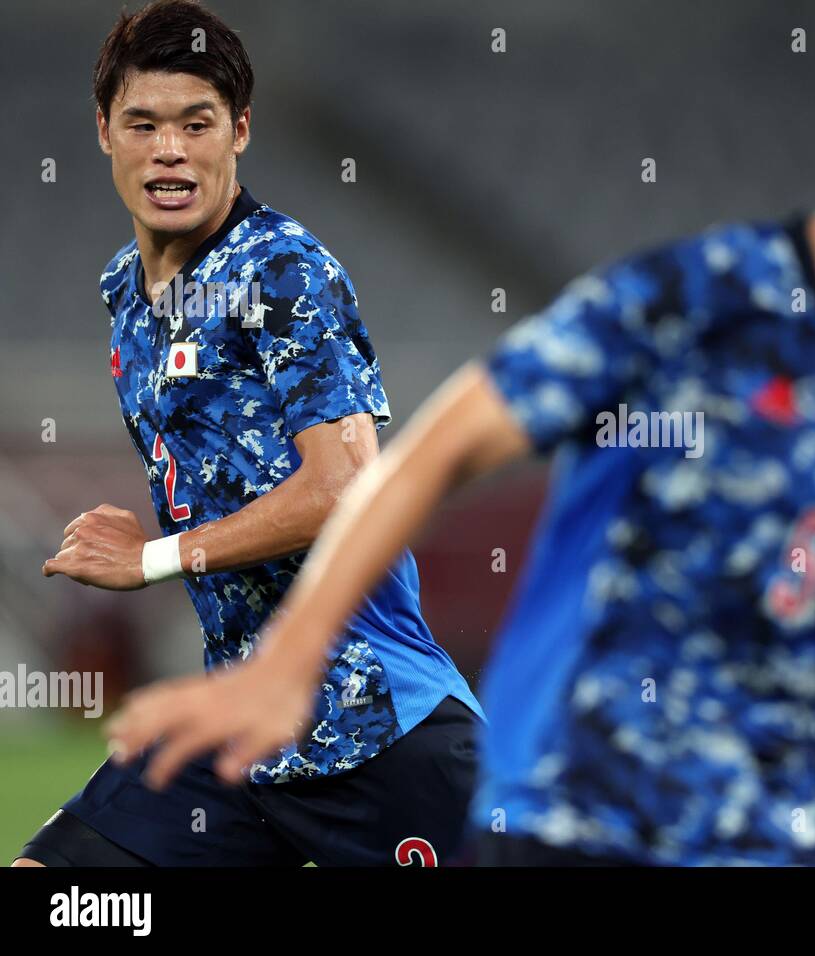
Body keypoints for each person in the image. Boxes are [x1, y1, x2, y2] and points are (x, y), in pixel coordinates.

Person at [106, 0, 815, 866]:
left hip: (764, 843)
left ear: (237, 132)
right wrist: (283, 663)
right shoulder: (691, 300)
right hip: (579, 826)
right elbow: (440, 450)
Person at [15, 0, 483, 868]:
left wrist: (153, 556)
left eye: (197, 124)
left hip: (371, 722)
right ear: (103, 132)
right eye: (143, 123)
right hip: (239, 729)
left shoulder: (281, 269)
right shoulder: (125, 290)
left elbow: (347, 487)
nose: (169, 150)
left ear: (239, 132)